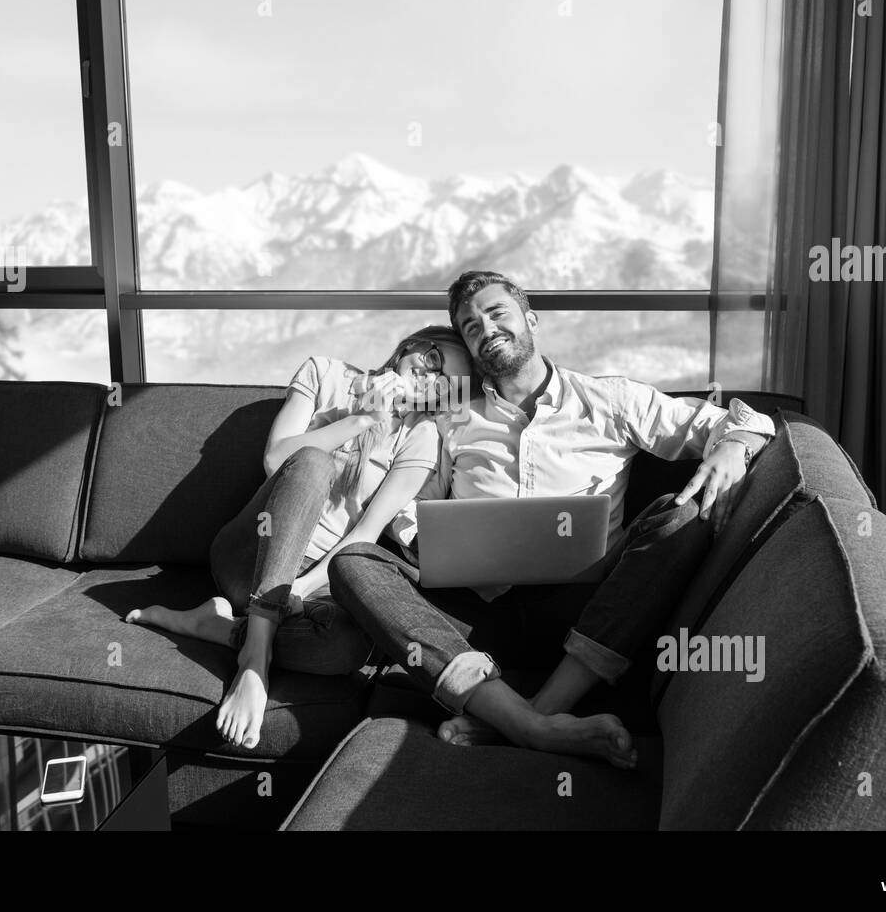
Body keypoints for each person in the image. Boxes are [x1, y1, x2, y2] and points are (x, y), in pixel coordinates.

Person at [328, 271, 776, 767]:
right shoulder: (453, 417)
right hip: (477, 617)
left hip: (587, 613)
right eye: (472, 327)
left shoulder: (611, 399)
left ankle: (537, 713)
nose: (487, 329)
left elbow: (742, 420)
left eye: (497, 314)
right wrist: (434, 545)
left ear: (531, 320)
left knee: (682, 516)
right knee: (353, 562)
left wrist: (737, 444)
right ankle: (530, 726)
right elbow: (411, 507)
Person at [126, 325, 474, 750]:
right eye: (434, 360)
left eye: (445, 382)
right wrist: (364, 417)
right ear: (414, 345)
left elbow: (364, 537)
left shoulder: (422, 436)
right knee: (311, 462)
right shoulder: (324, 373)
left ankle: (220, 627)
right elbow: (276, 459)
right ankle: (254, 661)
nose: (429, 378)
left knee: (347, 648)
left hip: (314, 583)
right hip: (249, 556)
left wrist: (303, 588)